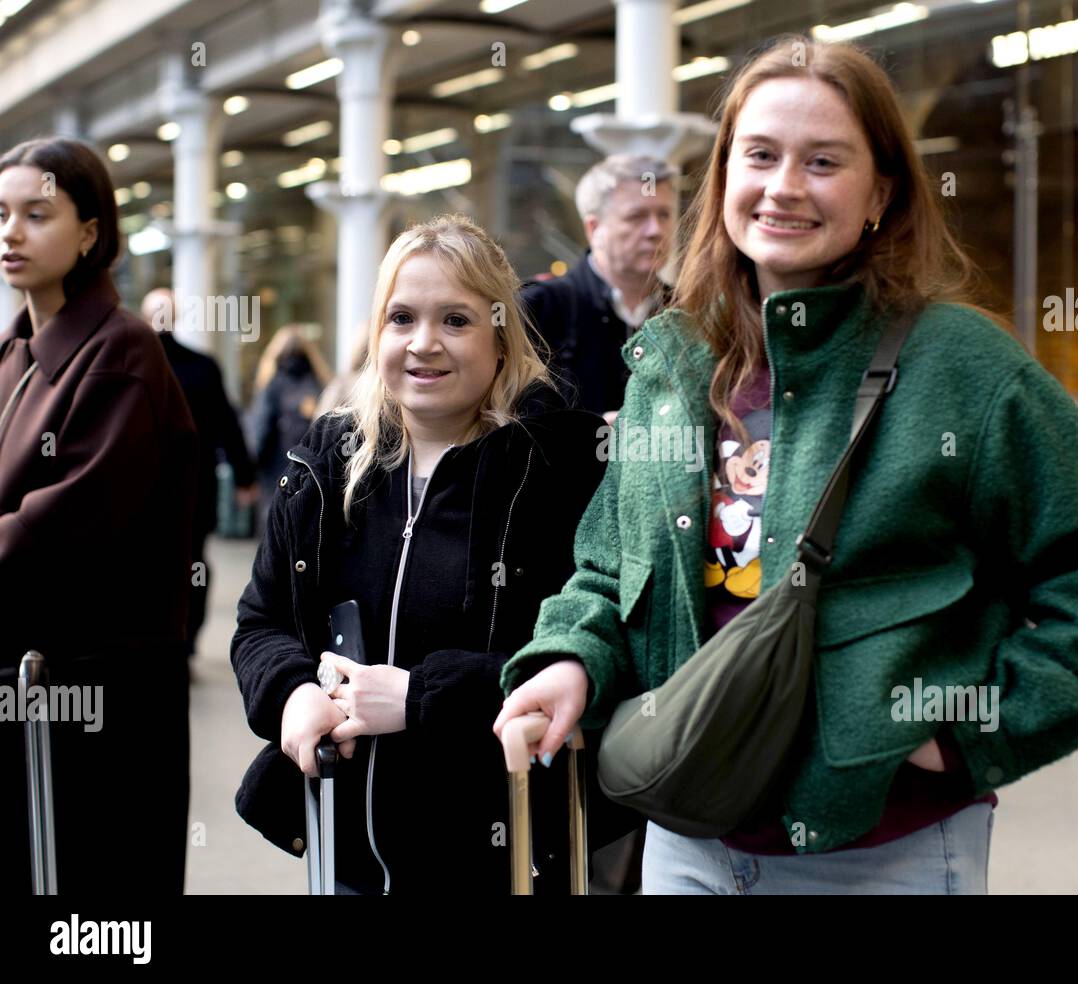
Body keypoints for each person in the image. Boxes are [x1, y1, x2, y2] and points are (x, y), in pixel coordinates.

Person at [495, 36, 1078, 895]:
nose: (784, 186)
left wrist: (966, 730)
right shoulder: (671, 361)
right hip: (687, 835)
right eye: (761, 155)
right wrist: (570, 658)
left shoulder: (960, 365)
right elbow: (607, 567)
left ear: (879, 194)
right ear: (723, 176)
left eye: (823, 161)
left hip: (883, 850)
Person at [231, 214, 633, 894]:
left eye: (455, 320)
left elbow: (595, 655)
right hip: (346, 853)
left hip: (504, 858)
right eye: (401, 318)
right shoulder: (327, 466)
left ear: (501, 339)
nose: (424, 344)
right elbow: (260, 623)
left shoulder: (560, 471)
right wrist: (292, 694)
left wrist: (423, 699)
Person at [0, 136, 196, 893]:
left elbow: (68, 526)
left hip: (95, 707)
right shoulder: (15, 355)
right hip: (32, 690)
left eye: (37, 213)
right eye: (3, 214)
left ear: (90, 232)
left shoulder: (122, 354)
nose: (11, 232)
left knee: (94, 908)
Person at [143, 287, 257, 660]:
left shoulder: (134, 364)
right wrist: (243, 476)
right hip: (194, 485)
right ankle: (185, 638)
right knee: (192, 562)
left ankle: (159, 635)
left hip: (144, 488)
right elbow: (228, 424)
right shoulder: (201, 366)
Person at [522, 154, 677, 423]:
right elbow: (510, 421)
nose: (656, 230)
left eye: (663, 215)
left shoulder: (690, 309)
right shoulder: (539, 310)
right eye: (636, 216)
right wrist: (594, 428)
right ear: (594, 229)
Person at [247, 323, 330, 533]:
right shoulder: (320, 382)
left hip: (276, 469)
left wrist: (251, 468)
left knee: (274, 528)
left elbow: (261, 431)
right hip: (313, 468)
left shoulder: (271, 383)